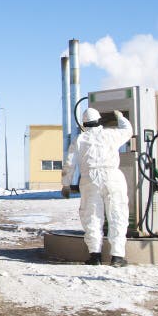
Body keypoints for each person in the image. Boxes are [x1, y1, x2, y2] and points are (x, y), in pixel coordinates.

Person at [61, 108, 133, 267]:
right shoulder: (110, 134)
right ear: (99, 121)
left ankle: (95, 256)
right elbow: (128, 131)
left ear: (84, 124)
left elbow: (69, 164)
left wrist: (65, 185)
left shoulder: (79, 140)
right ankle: (118, 257)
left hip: (89, 179)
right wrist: (120, 117)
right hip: (112, 177)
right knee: (117, 215)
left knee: (92, 216)